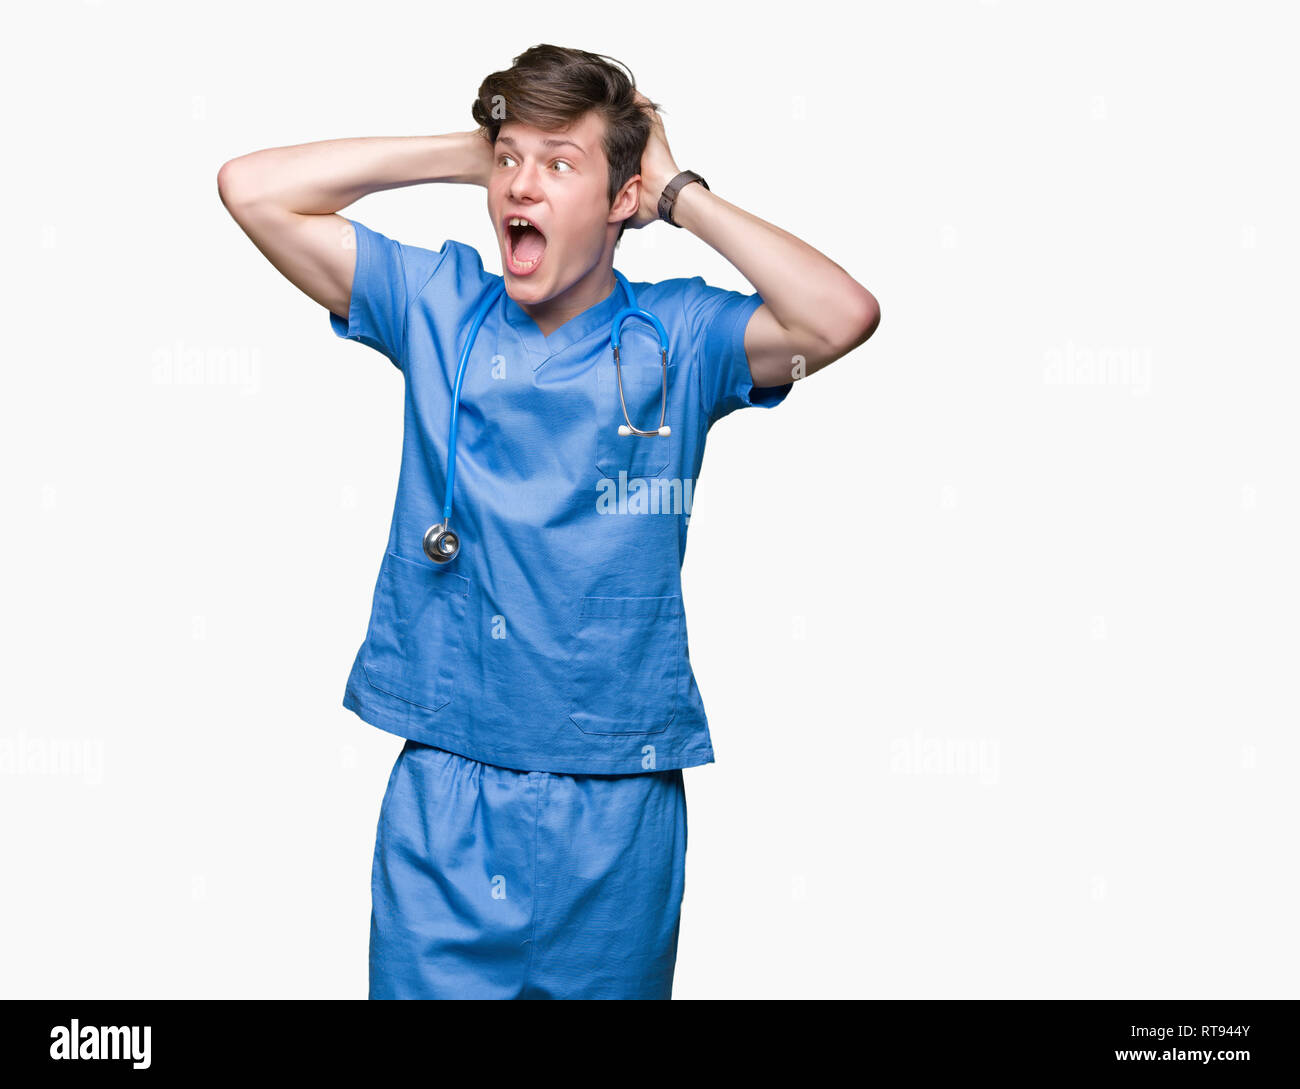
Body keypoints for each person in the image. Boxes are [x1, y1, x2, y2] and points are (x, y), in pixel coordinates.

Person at [217, 43, 879, 1000]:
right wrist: (476, 150)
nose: (519, 187)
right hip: (448, 792)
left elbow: (840, 317)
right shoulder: (437, 306)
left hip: (616, 803)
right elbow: (253, 189)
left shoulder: (681, 337)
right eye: (510, 163)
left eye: (560, 165)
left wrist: (680, 191)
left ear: (621, 198)